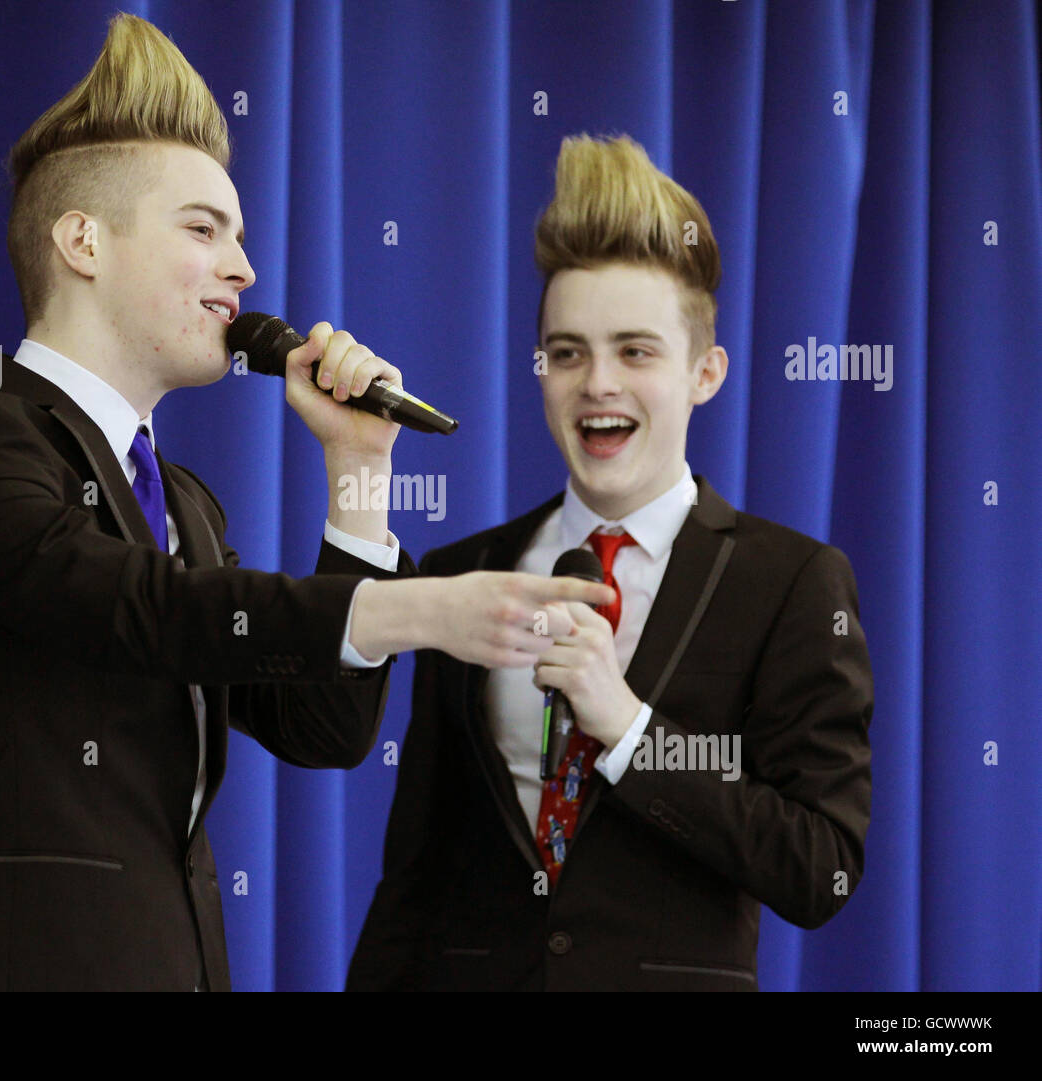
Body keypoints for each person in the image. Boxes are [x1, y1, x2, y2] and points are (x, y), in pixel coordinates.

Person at [0, 14, 611, 992]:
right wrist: (431, 608)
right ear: (83, 241)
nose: (245, 271)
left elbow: (322, 729)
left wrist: (359, 473)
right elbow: (139, 609)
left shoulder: (185, 503)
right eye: (204, 229)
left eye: (242, 238)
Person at [347, 134, 874, 991]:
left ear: (705, 373)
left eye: (635, 351)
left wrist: (629, 728)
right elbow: (412, 880)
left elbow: (821, 866)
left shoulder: (792, 584)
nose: (596, 383)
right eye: (566, 352)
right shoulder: (465, 569)